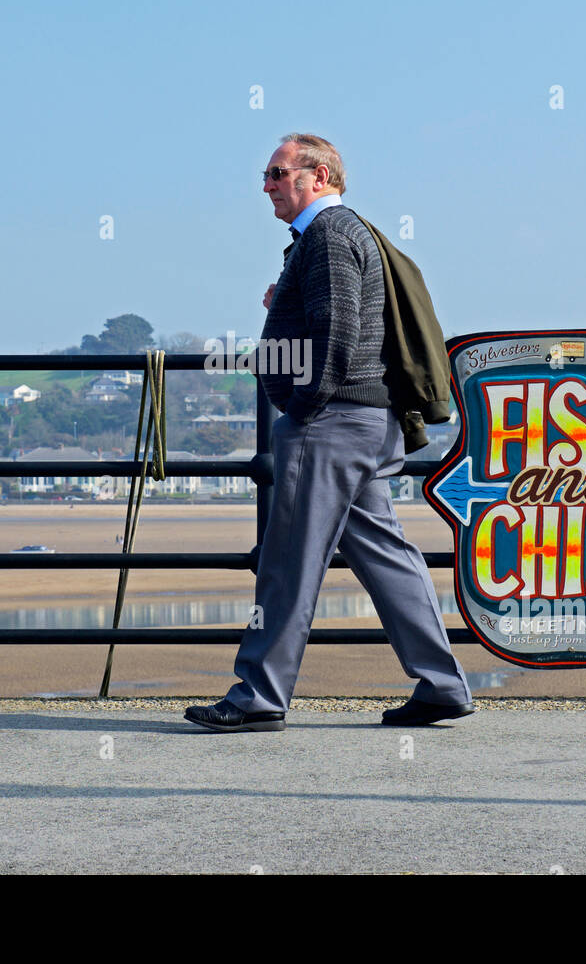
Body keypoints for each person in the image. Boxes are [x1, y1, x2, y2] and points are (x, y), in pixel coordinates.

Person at [184, 134, 474, 733]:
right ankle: (443, 686)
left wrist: (302, 407)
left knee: (288, 560)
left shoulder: (329, 236)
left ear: (317, 175)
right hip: (367, 421)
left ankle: (258, 697)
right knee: (384, 554)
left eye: (275, 173)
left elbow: (337, 337)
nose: (265, 185)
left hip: (332, 422)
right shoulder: (333, 237)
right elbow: (332, 323)